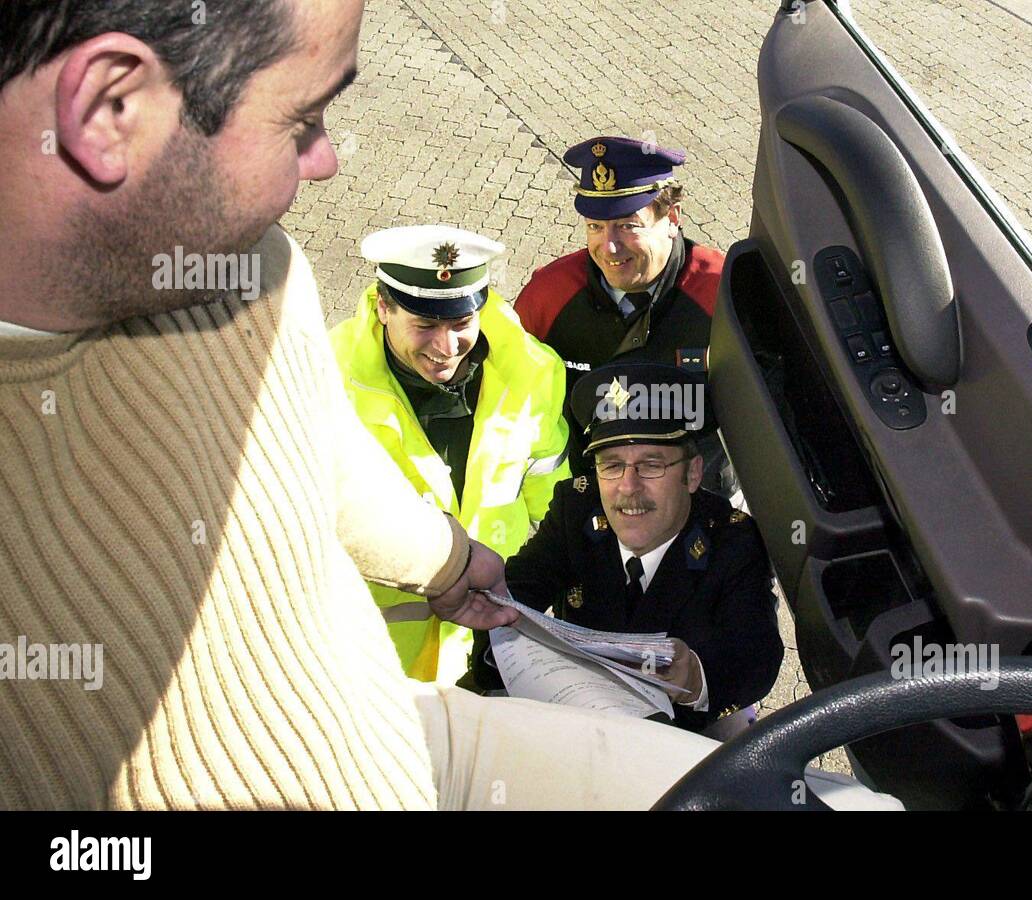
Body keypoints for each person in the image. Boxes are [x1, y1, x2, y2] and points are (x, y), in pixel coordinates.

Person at [0, 0, 898, 811]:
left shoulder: (245, 270)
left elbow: (309, 445)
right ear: (109, 108)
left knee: (840, 807)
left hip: (406, 734)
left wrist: (447, 560)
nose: (328, 161)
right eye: (302, 118)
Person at [475, 363, 784, 733]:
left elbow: (755, 654)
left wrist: (693, 676)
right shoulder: (577, 510)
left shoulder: (733, 540)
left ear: (693, 473)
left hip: (686, 726)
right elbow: (516, 592)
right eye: (611, 465)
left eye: (651, 465)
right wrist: (494, 655)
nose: (628, 487)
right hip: (581, 712)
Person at [330, 225, 569, 684]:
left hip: (497, 636)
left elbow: (551, 492)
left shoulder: (533, 373)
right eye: (424, 325)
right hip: (372, 659)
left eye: (461, 323)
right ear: (383, 307)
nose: (446, 348)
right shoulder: (326, 381)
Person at [512, 137, 734, 488]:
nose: (609, 248)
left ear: (672, 217)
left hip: (701, 497)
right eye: (595, 227)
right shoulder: (547, 297)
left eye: (627, 225)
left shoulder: (724, 294)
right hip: (591, 495)